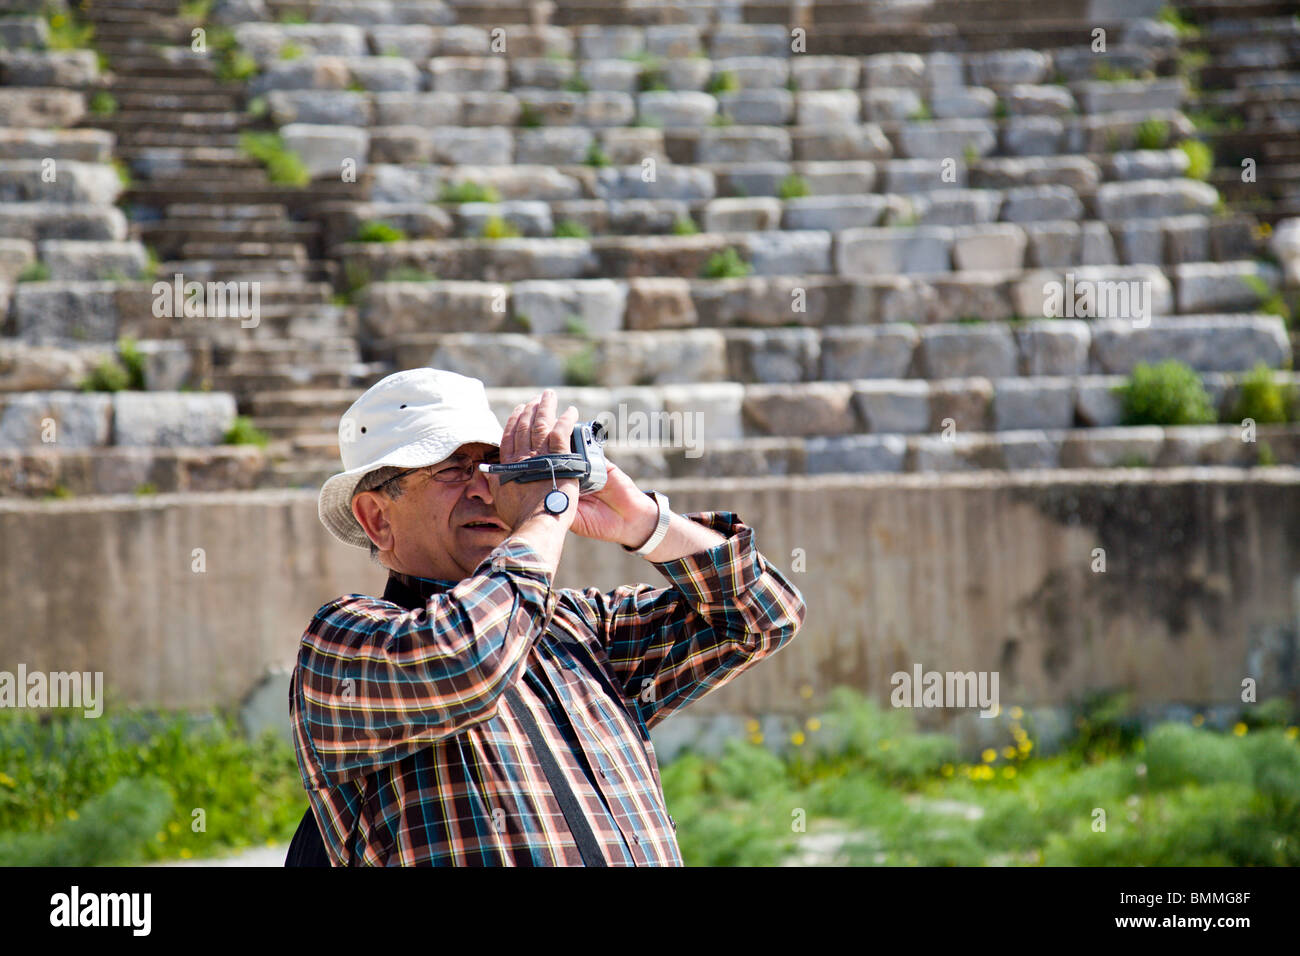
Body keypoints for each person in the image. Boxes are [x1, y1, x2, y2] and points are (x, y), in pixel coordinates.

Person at [286, 367, 807, 865]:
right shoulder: (343, 644)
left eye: (496, 465)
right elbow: (469, 660)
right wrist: (547, 512)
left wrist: (643, 521)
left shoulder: (579, 626)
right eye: (452, 469)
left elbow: (764, 618)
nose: (487, 488)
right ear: (377, 518)